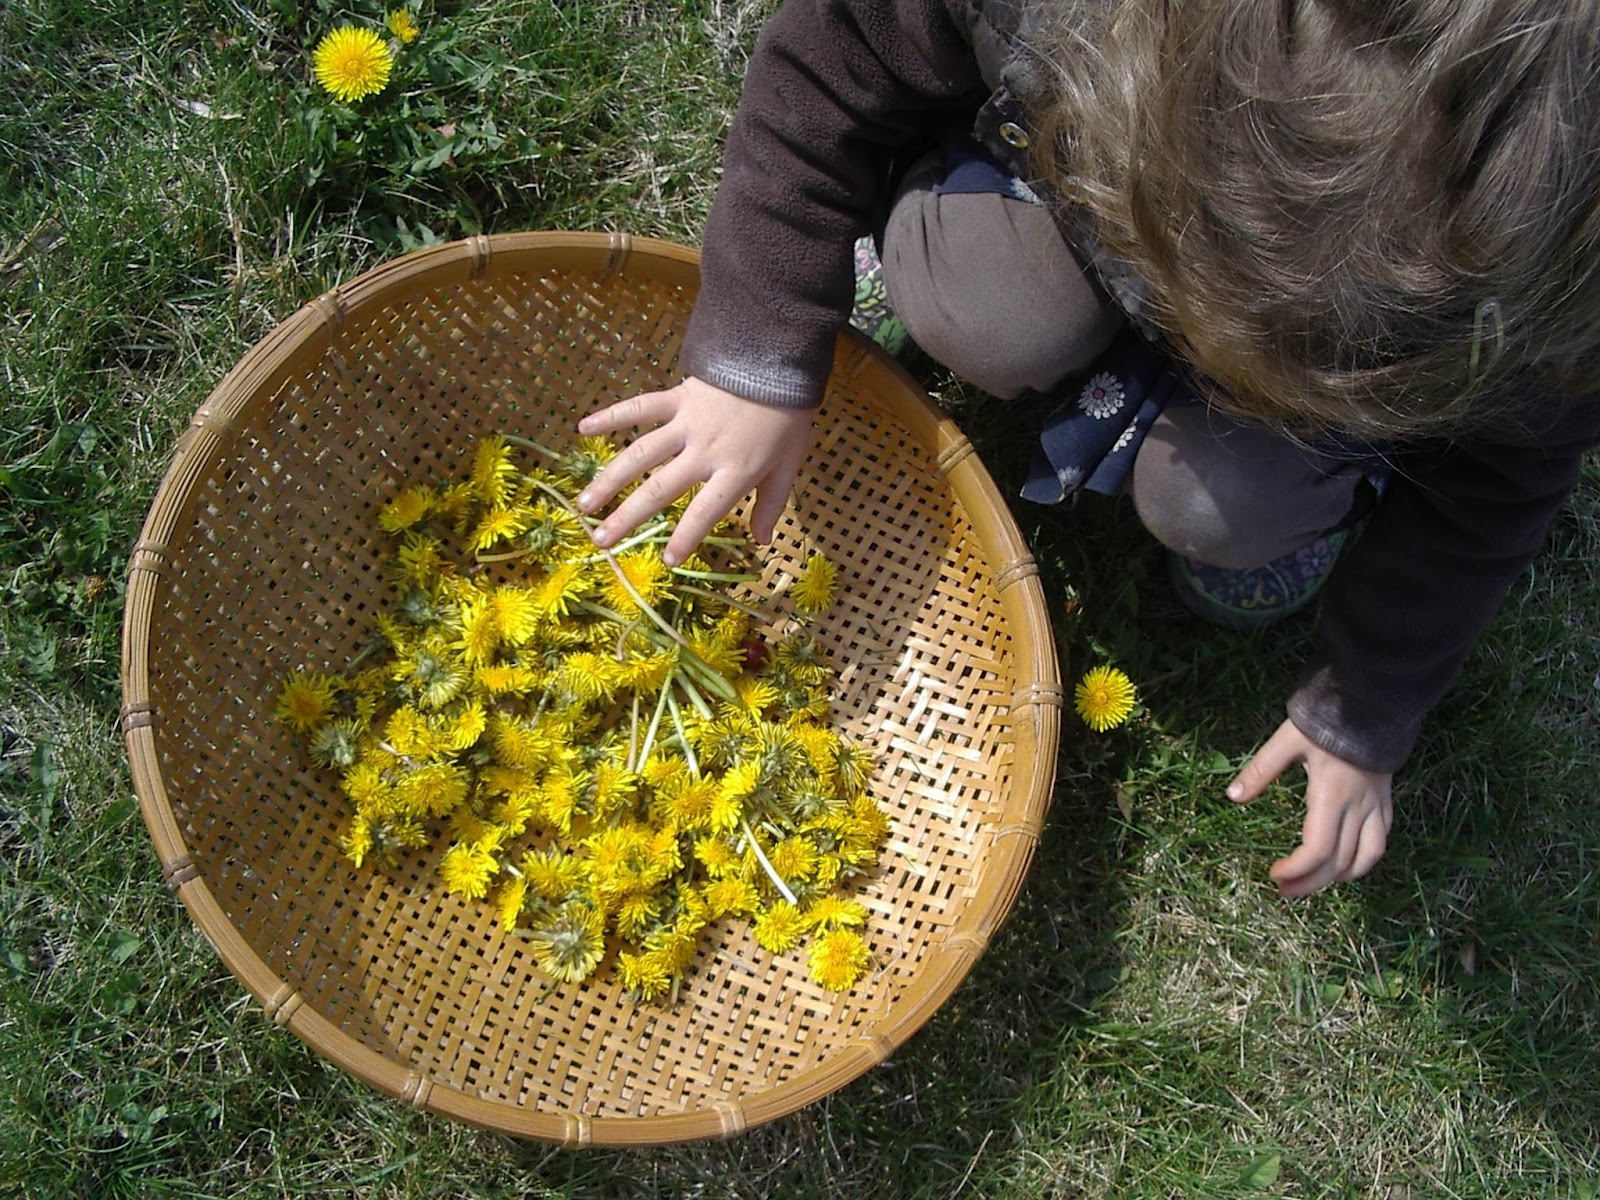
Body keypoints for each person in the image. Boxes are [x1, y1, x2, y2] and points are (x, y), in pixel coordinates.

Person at [571, 0, 1600, 897]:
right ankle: (962, 243)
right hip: (1066, 182)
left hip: (1278, 378)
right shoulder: (1062, 15)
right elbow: (828, 65)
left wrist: (1365, 705)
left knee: (1227, 506)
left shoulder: (1527, 311)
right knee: (972, 309)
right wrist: (758, 346)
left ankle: (1296, 450)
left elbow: (1495, 492)